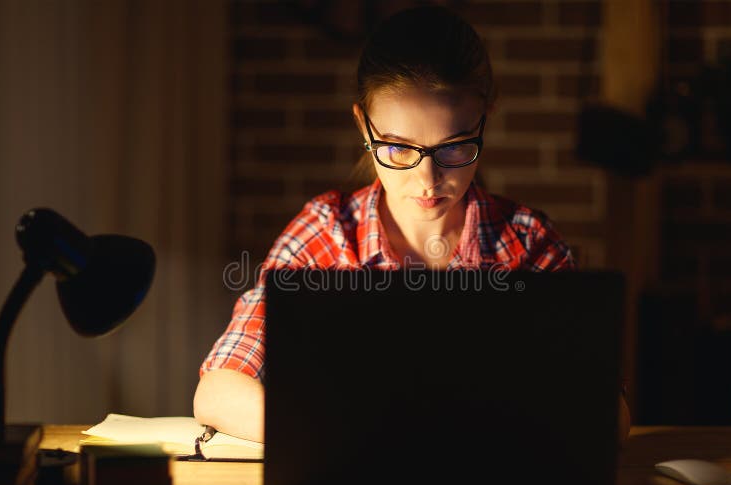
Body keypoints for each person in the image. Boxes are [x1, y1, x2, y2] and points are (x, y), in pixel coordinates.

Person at [194, 5, 631, 445]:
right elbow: (218, 391)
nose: (427, 179)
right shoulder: (327, 235)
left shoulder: (528, 243)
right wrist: (355, 433)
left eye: (454, 147)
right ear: (363, 126)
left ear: (486, 117)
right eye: (398, 148)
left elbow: (608, 413)